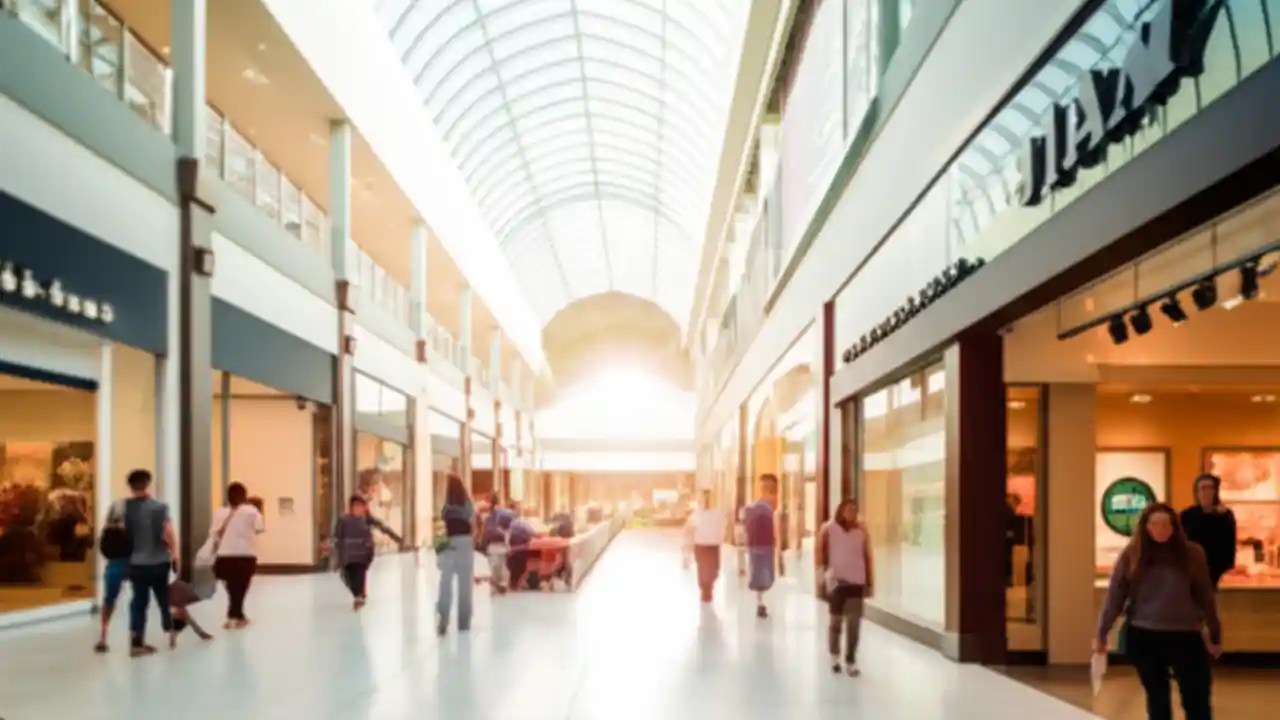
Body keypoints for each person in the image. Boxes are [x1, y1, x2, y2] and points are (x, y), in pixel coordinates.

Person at [1095, 503, 1221, 720]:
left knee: (1197, 696)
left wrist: (1215, 632)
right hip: (1145, 633)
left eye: (1165, 524)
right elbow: (1115, 596)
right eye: (1155, 524)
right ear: (1146, 527)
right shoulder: (1133, 555)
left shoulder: (1192, 554)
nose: (1160, 529)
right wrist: (1102, 632)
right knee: (1157, 698)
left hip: (1185, 633)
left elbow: (1205, 595)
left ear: (1174, 527)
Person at [121, 469, 177, 657]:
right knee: (163, 598)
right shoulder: (160, 507)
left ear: (130, 486)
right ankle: (170, 631)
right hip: (159, 561)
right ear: (148, 484)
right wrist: (175, 555)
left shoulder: (124, 508)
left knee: (139, 602)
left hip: (136, 563)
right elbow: (167, 533)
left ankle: (137, 642)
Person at [817, 499, 873, 677]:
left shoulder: (862, 531)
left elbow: (868, 556)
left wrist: (870, 582)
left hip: (857, 582)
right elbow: (820, 553)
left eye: (854, 510)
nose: (851, 513)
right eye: (848, 510)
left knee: (854, 624)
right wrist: (821, 576)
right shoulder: (829, 529)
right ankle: (834, 656)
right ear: (840, 511)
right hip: (836, 582)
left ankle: (851, 660)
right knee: (835, 622)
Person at [210, 482, 265, 629]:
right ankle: (234, 616)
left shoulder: (220, 512)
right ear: (244, 496)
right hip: (245, 555)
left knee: (233, 588)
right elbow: (260, 528)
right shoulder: (251, 511)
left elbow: (214, 534)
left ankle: (237, 615)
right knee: (240, 587)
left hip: (224, 556)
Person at [333, 494, 402, 610]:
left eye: (360, 506)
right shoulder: (343, 520)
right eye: (355, 506)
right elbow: (337, 536)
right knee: (347, 577)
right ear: (351, 507)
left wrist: (397, 538)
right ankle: (359, 594)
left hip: (362, 553)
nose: (357, 508)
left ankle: (359, 596)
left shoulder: (367, 519)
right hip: (347, 555)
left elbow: (383, 527)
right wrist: (331, 545)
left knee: (359, 573)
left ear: (364, 507)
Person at [1181, 473, 1237, 590]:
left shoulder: (1225, 516)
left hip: (1218, 571)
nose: (1206, 492)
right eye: (1202, 488)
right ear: (1197, 492)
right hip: (1192, 572)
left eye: (1210, 488)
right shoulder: (1187, 515)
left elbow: (1230, 546)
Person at [436, 473, 476, 635]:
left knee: (445, 583)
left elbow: (441, 524)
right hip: (465, 544)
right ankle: (464, 623)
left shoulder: (446, 508)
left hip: (448, 545)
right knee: (465, 585)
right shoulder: (468, 505)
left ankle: (443, 617)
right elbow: (472, 523)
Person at [94, 498, 131, 653]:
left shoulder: (109, 530)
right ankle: (104, 635)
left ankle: (103, 636)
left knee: (110, 599)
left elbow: (105, 549)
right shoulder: (113, 531)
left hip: (117, 563)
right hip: (125, 563)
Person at [744, 474, 780, 618]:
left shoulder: (774, 506)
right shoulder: (753, 506)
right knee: (759, 575)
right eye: (764, 484)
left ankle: (762, 602)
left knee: (768, 576)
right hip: (756, 545)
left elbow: (776, 528)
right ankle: (760, 603)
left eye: (770, 484)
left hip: (768, 546)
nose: (766, 487)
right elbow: (746, 527)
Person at [685, 491, 726, 603]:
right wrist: (687, 547)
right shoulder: (696, 514)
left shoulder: (718, 513)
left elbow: (723, 526)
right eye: (704, 499)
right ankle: (705, 590)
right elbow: (689, 530)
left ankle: (709, 586)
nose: (706, 501)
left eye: (709, 499)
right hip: (701, 545)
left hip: (713, 545)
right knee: (703, 568)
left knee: (714, 569)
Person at [167, 575, 214, 646]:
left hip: (177, 589)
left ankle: (201, 633)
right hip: (177, 591)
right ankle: (174, 636)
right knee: (183, 615)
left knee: (184, 616)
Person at [480, 501, 515, 594]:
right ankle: (501, 584)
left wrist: (484, 545)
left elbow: (485, 535)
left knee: (494, 567)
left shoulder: (489, 520)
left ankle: (496, 585)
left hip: (494, 547)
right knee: (501, 567)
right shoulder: (501, 517)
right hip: (500, 546)